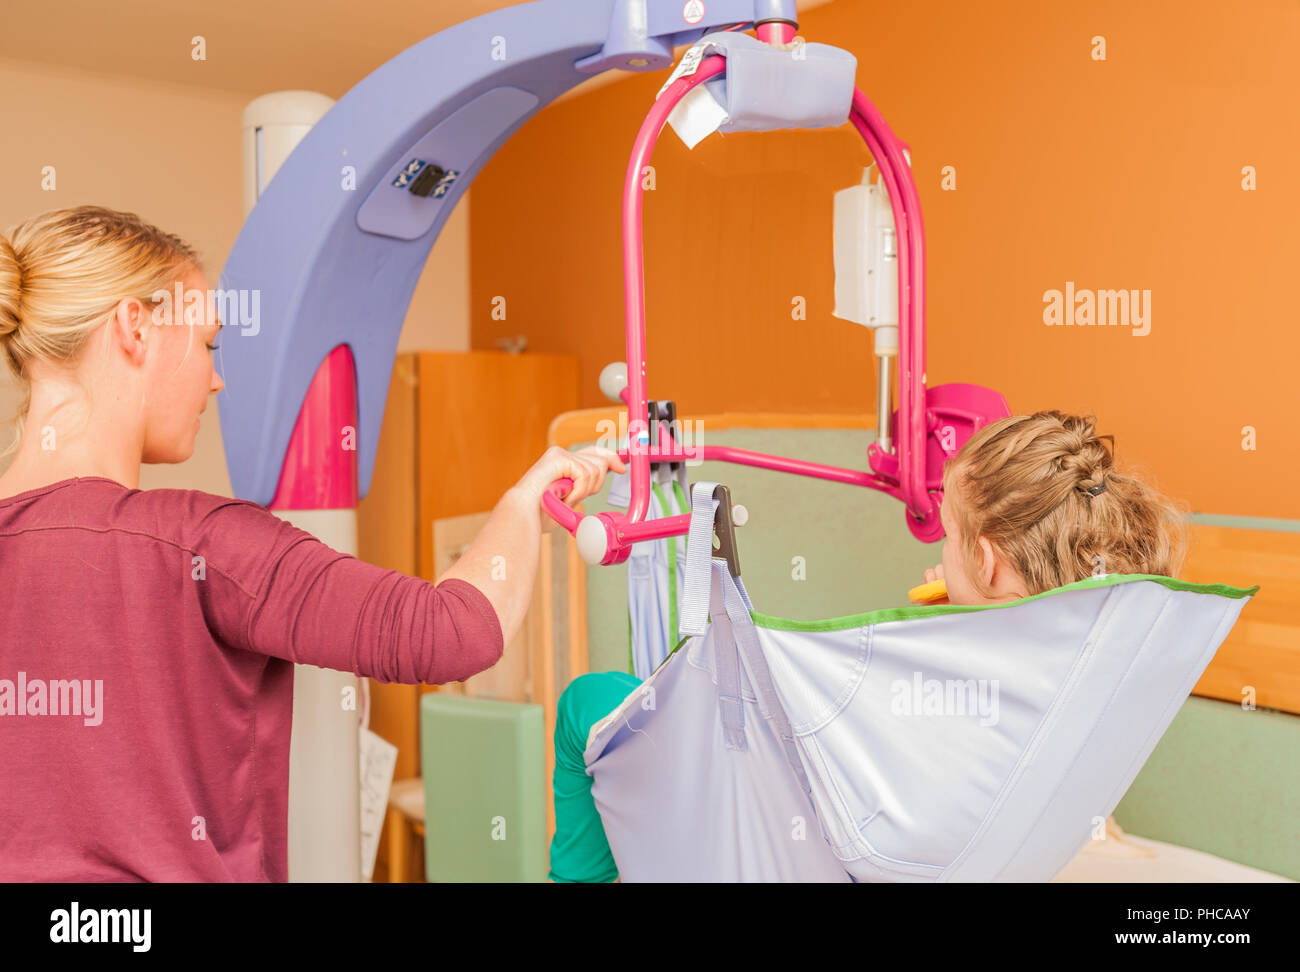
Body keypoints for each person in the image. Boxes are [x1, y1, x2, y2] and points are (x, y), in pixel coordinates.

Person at [0, 205, 624, 881]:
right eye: (209, 344)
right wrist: (524, 500)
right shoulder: (200, 544)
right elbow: (455, 630)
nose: (216, 379)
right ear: (134, 327)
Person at [548, 410, 1189, 882]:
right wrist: (959, 624)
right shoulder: (1091, 669)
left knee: (589, 702)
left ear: (988, 563)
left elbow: (809, 747)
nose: (940, 551)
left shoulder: (917, 687)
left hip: (807, 850)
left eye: (950, 535)